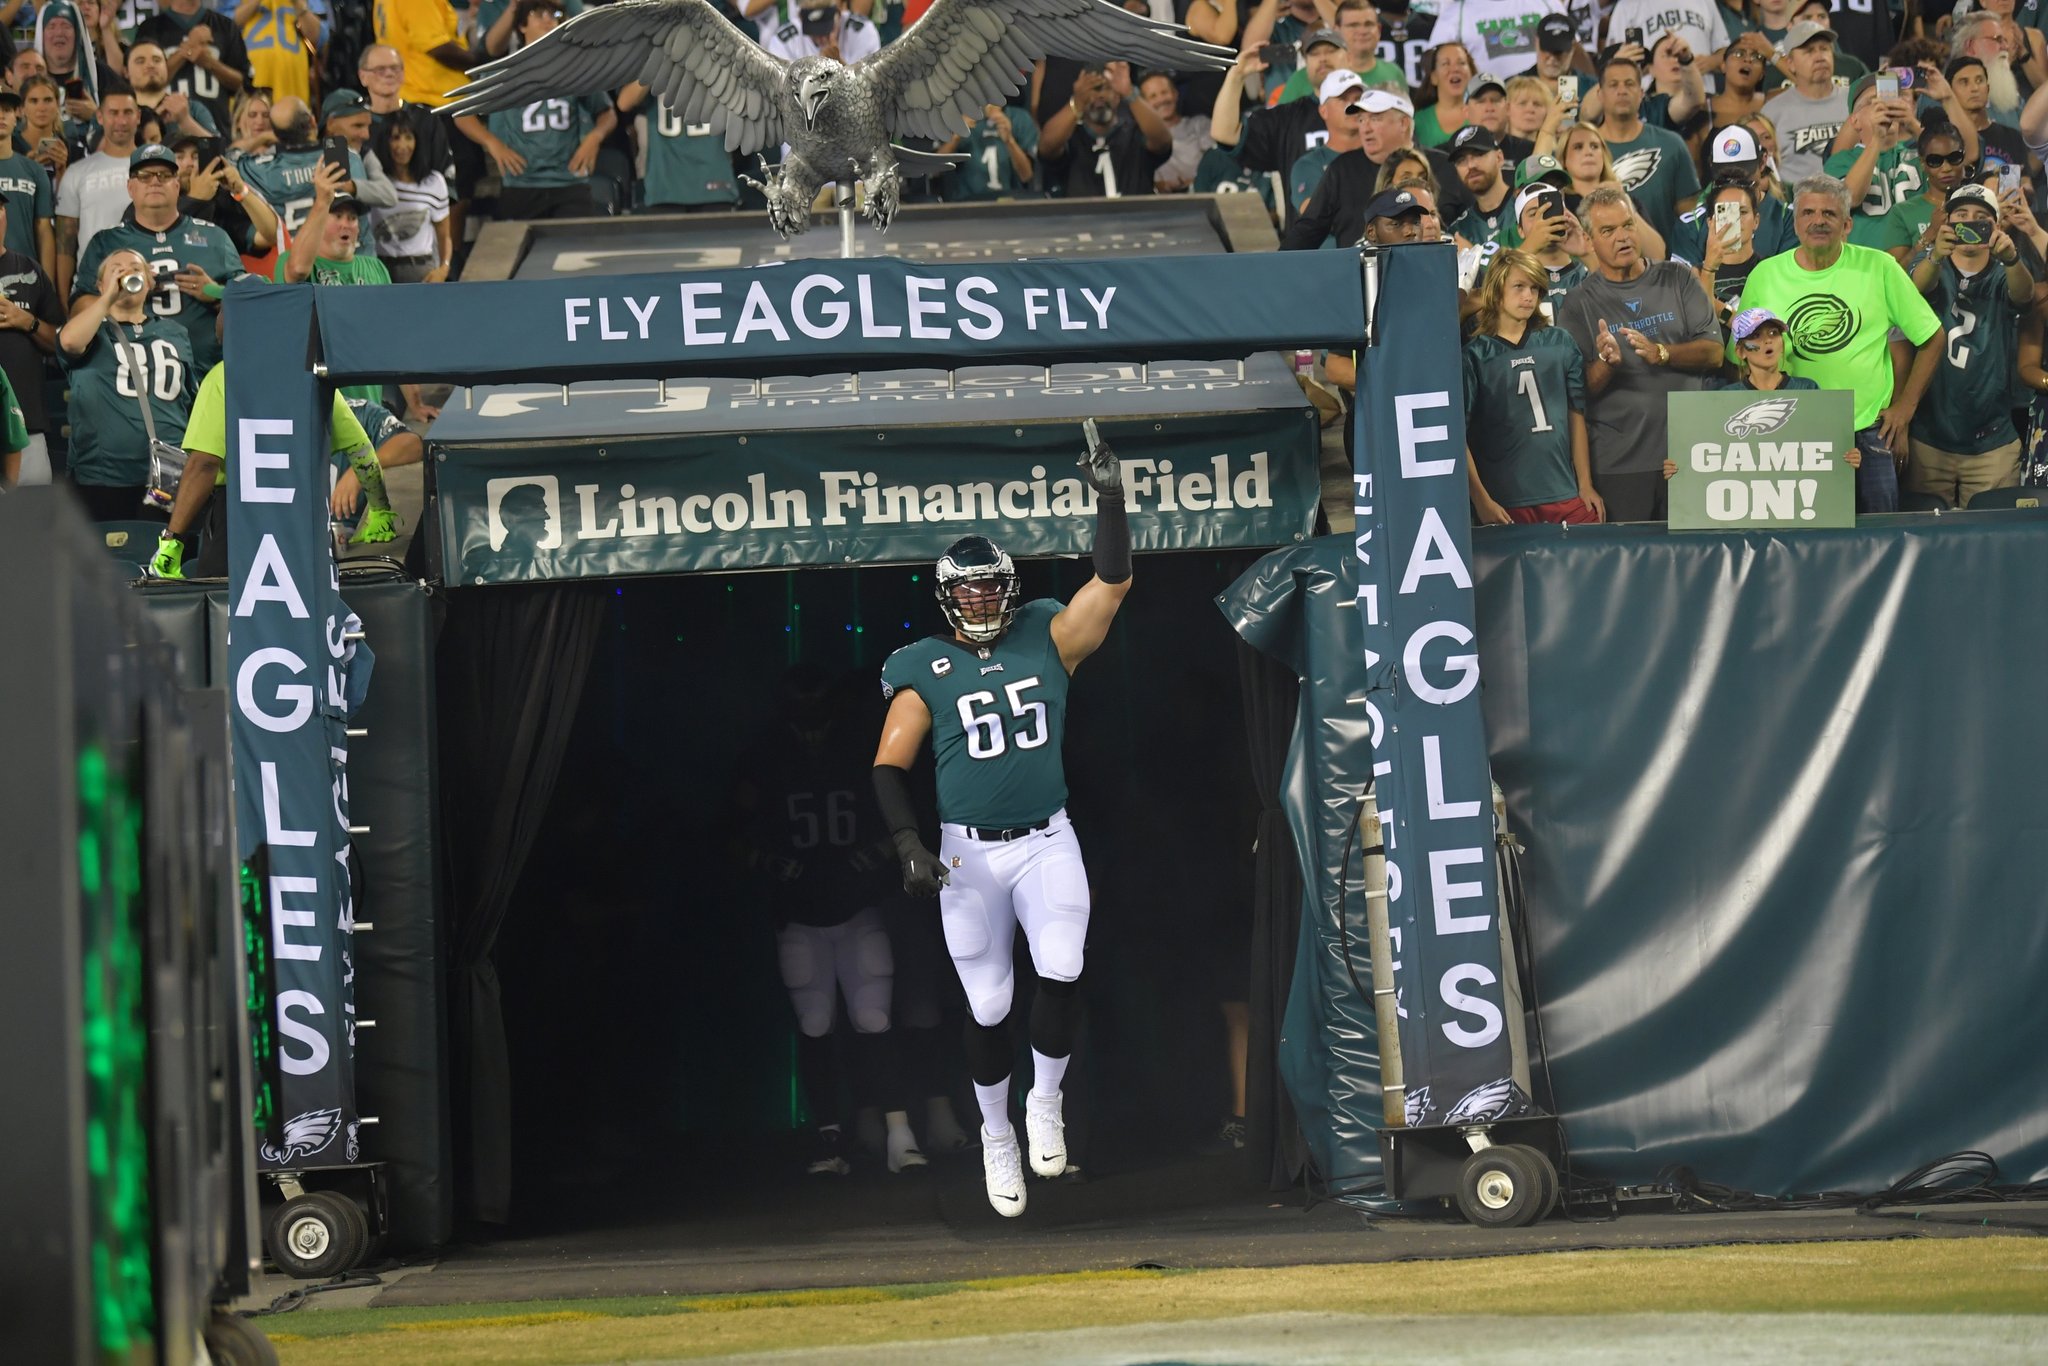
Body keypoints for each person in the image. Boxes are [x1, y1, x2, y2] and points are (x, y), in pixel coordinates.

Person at [872, 429, 1133, 1217]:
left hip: (1046, 836)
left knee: (1061, 966)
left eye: (994, 588)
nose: (984, 601)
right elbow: (890, 763)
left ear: (1009, 590)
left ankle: (1043, 1101)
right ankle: (995, 1134)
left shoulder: (1048, 633)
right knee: (987, 1006)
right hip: (968, 857)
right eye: (972, 590)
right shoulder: (923, 663)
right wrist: (908, 842)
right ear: (950, 597)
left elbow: (1113, 582)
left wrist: (1111, 498)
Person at [737, 664, 930, 1179]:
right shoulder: (767, 757)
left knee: (872, 1019)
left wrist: (880, 854)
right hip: (803, 914)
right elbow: (734, 832)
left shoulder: (858, 748)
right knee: (816, 1022)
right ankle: (831, 1137)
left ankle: (898, 1132)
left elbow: (907, 807)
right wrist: (770, 863)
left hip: (854, 906)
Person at [1736, 174, 1944, 514]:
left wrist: (1905, 409)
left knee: (1880, 543)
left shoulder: (1880, 267)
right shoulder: (1765, 275)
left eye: (1829, 214)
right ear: (1795, 221)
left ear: (1847, 224)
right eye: (1808, 213)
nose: (1818, 221)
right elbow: (1741, 355)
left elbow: (1933, 337)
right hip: (1793, 435)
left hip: (1870, 431)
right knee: (1807, 542)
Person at [1556, 184, 1725, 521]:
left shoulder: (1678, 278)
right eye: (1608, 230)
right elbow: (1578, 393)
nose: (1623, 237)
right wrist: (1606, 363)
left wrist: (1661, 352)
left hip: (1690, 456)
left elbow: (1714, 353)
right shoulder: (1578, 304)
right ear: (1589, 241)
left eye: (1628, 224)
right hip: (1621, 465)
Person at [149, 354, 375, 578]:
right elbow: (361, 448)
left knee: (227, 604)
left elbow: (204, 464)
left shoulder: (226, 374)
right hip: (303, 514)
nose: (218, 321)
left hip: (239, 516)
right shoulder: (312, 378)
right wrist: (380, 508)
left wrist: (173, 539)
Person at [1904, 180, 2033, 507]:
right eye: (1960, 215)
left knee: (1994, 543)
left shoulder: (2006, 269)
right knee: (1927, 542)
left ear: (1996, 225)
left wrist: (2013, 259)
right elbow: (1915, 290)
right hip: (1930, 439)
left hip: (1993, 442)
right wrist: (1934, 254)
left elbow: (2024, 295)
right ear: (1946, 222)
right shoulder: (1931, 265)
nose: (1969, 223)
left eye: (1980, 217)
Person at [70, 141, 243, 372]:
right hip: (133, 377)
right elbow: (78, 309)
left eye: (164, 174)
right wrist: (117, 295)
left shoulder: (214, 237)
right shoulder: (106, 242)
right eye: (144, 175)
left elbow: (247, 303)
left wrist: (213, 293)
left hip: (206, 372)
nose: (155, 181)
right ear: (130, 187)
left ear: (177, 185)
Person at [57, 246, 196, 520]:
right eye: (116, 270)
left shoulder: (176, 333)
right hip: (104, 476)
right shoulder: (89, 330)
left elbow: (189, 398)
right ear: (100, 284)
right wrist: (108, 298)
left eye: (135, 268)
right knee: (107, 560)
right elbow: (70, 342)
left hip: (168, 474)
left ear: (150, 281)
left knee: (166, 555)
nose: (126, 273)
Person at [1464, 247, 1600, 525]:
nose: (1528, 296)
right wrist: (1481, 499)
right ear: (1496, 290)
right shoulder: (1475, 355)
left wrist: (1584, 483)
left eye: (1535, 288)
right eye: (1519, 287)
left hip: (1562, 491)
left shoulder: (1560, 343)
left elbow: (1576, 415)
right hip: (1504, 500)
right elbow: (1457, 436)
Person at [456, 2, 616, 220]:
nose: (548, 20)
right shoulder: (506, 72)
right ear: (521, 25)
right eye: (539, 14)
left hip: (570, 183)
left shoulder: (576, 71)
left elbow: (607, 113)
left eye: (554, 14)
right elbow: (462, 114)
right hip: (522, 183)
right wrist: (492, 143)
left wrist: (595, 137)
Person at [1594, 53, 1699, 244]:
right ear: (1600, 94)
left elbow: (1690, 216)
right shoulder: (1584, 150)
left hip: (1663, 264)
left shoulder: (1671, 144)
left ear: (1642, 93)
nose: (1622, 90)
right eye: (1613, 84)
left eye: (1629, 84)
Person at [233, 94, 371, 235]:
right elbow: (363, 219)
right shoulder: (344, 157)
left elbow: (228, 159)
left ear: (276, 134)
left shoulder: (261, 169)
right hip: (344, 252)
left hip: (292, 254)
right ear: (312, 121)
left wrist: (261, 137)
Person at [52, 81, 138, 297]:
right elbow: (65, 245)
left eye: (127, 112)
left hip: (145, 280)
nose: (121, 120)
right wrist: (63, 299)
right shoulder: (77, 172)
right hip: (91, 286)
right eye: (113, 113)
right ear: (100, 117)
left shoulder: (157, 168)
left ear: (138, 116)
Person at [1038, 61, 1172, 198]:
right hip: (1083, 218)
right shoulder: (1071, 137)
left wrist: (1129, 93)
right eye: (1094, 89)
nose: (1100, 96)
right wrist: (1077, 103)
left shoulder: (1134, 134)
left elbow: (1163, 141)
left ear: (1117, 96)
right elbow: (1046, 147)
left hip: (1136, 217)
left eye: (1107, 88)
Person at [1669, 125, 1794, 268]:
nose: (1734, 184)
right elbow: (1685, 287)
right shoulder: (1691, 227)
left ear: (1762, 162)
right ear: (1711, 166)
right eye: (1725, 177)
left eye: (1743, 177)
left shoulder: (1789, 220)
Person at [0, 196, 59, 486]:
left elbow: (62, 343)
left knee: (31, 524)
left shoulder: (30, 270)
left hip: (26, 425)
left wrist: (28, 322)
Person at [133, 0, 248, 136]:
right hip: (164, 131)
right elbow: (143, 81)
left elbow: (241, 84)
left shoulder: (225, 26)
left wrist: (211, 63)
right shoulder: (150, 28)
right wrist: (188, 48)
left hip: (216, 128)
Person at [365, 108, 451, 281]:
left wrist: (443, 269)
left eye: (408, 137)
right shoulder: (374, 181)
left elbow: (444, 235)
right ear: (385, 142)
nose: (402, 146)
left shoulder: (434, 182)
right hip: (379, 269)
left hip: (420, 269)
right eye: (395, 138)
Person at [1762, 21, 1848, 188]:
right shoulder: (1772, 112)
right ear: (1790, 64)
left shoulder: (1854, 100)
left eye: (1824, 49)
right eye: (1809, 51)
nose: (1819, 56)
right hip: (1795, 206)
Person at [173, 130, 278, 258]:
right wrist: (195, 199)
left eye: (195, 157)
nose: (189, 163)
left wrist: (240, 190)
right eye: (179, 157)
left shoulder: (219, 211)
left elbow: (270, 236)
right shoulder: (154, 206)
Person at [1876, 123, 1969, 263]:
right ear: (1922, 163)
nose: (1946, 168)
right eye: (1935, 161)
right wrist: (1930, 233)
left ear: (1964, 157)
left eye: (1954, 158)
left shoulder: (1981, 205)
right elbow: (1895, 273)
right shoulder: (1903, 212)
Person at [0, 90, 57, 284]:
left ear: (16, 117)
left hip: (25, 274)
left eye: (6, 110)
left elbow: (43, 229)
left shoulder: (34, 170)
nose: (1, 115)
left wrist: (47, 284)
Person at [931, 99, 1038, 201]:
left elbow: (1026, 176)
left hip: (1010, 202)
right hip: (968, 204)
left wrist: (1010, 141)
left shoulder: (1019, 118)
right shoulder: (956, 118)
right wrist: (955, 138)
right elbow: (934, 170)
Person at [1946, 54, 2031, 172]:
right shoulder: (1944, 140)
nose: (1974, 88)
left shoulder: (2012, 137)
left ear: (1988, 88)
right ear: (1950, 91)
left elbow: (2026, 183)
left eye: (1979, 80)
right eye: (1964, 82)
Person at [236, 0, 323, 107]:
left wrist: (298, 3)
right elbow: (229, 25)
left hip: (291, 82)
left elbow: (316, 36)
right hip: (251, 80)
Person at [125, 40, 214, 139]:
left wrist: (185, 121)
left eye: (157, 60)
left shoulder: (192, 108)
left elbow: (218, 150)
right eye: (140, 61)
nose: (150, 65)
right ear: (126, 71)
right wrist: (155, 118)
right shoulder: (120, 113)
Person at [1141, 69, 1211, 192]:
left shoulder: (1200, 125)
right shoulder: (1139, 138)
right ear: (1144, 104)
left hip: (1202, 195)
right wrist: (1158, 186)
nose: (1161, 100)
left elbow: (1218, 164)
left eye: (1164, 92)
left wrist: (1194, 183)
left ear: (1175, 94)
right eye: (1153, 96)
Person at [1447, 123, 1514, 242]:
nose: (1471, 165)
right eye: (1461, 160)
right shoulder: (1459, 232)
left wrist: (1475, 256)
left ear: (1499, 158)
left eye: (1478, 154)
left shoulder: (1528, 207)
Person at [1415, 40, 1476, 148]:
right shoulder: (1418, 121)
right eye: (1445, 64)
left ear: (1471, 73)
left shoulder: (1481, 114)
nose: (1455, 69)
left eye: (1461, 63)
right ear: (1434, 77)